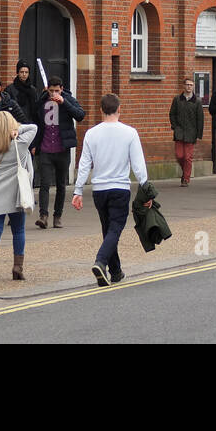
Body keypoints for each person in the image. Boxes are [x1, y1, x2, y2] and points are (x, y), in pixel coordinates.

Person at [72, 93, 148, 287]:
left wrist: (78, 191)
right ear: (119, 109)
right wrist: (145, 189)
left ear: (101, 110)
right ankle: (100, 261)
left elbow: (84, 164)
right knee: (115, 229)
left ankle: (115, 272)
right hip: (120, 188)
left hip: (99, 190)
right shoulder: (130, 133)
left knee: (108, 230)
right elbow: (138, 165)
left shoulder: (91, 133)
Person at [0, 111, 37, 282]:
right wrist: (18, 130)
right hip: (16, 193)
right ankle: (17, 268)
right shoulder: (20, 144)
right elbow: (34, 127)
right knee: (18, 230)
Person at [33, 76, 85, 228]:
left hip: (62, 148)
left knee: (61, 184)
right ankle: (43, 216)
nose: (54, 94)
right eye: (51, 91)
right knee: (44, 183)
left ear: (62, 89)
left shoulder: (68, 99)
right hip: (46, 148)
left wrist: (64, 102)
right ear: (47, 89)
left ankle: (58, 215)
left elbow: (80, 115)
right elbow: (36, 122)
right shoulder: (42, 101)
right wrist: (35, 144)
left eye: (57, 90)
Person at [168, 77, 204, 186]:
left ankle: (186, 179)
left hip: (191, 132)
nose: (189, 87)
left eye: (191, 85)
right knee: (179, 155)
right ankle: (185, 172)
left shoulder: (197, 101)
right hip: (179, 131)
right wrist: (175, 126)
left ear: (193, 87)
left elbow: (200, 118)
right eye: (187, 85)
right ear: (184, 86)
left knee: (187, 157)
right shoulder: (177, 99)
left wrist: (199, 133)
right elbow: (172, 114)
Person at [6, 60, 44, 127]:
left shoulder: (32, 90)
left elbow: (36, 107)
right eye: (21, 72)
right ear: (17, 73)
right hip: (15, 123)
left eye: (26, 72)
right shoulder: (10, 89)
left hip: (30, 122)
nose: (24, 74)